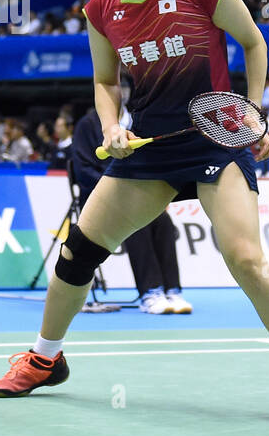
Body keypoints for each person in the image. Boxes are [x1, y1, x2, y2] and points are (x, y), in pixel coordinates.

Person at [0, 0, 269, 424]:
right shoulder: (102, 3)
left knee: (244, 257)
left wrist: (252, 113)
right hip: (150, 143)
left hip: (215, 140)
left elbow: (256, 42)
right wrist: (110, 125)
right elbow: (104, 80)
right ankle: (45, 357)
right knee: (78, 250)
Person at [68, 90, 190, 316]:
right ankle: (150, 292)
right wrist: (116, 188)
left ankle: (172, 290)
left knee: (163, 222)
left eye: (123, 88)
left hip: (139, 190)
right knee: (136, 222)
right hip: (102, 195)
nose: (119, 93)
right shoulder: (87, 124)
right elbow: (83, 169)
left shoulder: (137, 121)